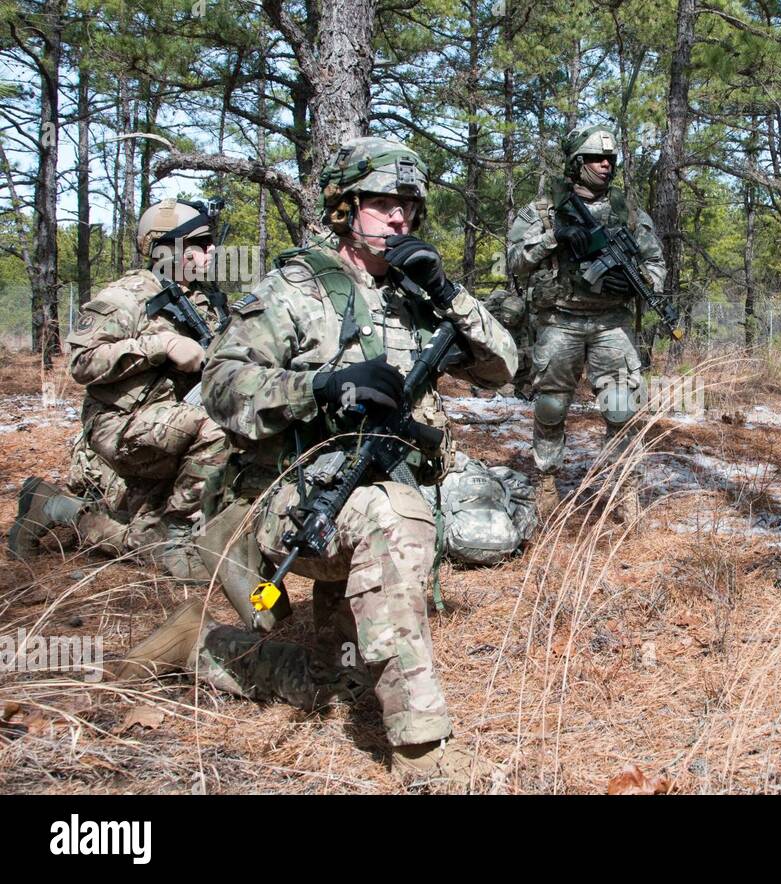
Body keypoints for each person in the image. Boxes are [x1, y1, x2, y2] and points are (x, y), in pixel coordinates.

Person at [118, 136, 517, 788]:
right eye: (383, 203)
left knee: (341, 684)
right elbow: (220, 388)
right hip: (287, 501)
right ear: (344, 208)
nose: (399, 218)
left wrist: (446, 289)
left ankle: (203, 647)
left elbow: (504, 364)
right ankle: (425, 754)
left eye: (409, 206)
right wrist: (320, 388)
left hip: (366, 491)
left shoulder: (419, 295)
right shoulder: (295, 290)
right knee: (398, 517)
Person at [8, 199, 230, 579]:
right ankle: (182, 538)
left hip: (173, 428)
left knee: (145, 541)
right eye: (201, 242)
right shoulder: (126, 297)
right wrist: (160, 346)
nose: (212, 251)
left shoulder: (206, 300)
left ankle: (55, 506)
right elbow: (81, 362)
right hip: (121, 424)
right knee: (219, 430)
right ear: (168, 248)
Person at [505, 124, 666, 520]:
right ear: (577, 163)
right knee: (551, 405)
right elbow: (515, 263)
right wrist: (553, 239)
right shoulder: (542, 212)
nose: (605, 165)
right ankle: (546, 481)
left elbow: (656, 265)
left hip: (611, 323)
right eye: (596, 158)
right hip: (559, 321)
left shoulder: (627, 213)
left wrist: (636, 282)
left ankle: (623, 488)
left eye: (610, 159)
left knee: (621, 406)